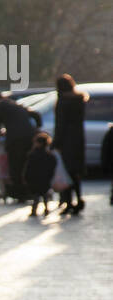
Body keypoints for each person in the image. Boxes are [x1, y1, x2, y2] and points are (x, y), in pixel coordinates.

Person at [0, 91, 41, 200]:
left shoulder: (1, 106)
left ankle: (19, 193)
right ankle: (28, 190)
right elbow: (36, 115)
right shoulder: (16, 105)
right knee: (25, 163)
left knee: (15, 166)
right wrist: (37, 128)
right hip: (29, 137)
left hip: (14, 140)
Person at [53, 73, 87, 213]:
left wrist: (56, 143)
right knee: (76, 172)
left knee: (65, 172)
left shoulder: (62, 102)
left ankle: (67, 202)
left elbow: (60, 125)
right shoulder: (80, 100)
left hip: (66, 141)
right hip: (78, 139)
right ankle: (79, 199)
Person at [22, 131, 56, 216]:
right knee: (44, 195)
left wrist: (25, 177)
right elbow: (53, 166)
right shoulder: (49, 155)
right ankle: (46, 209)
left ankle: (34, 210)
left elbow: (28, 168)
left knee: (36, 196)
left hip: (35, 179)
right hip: (45, 179)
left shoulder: (33, 154)